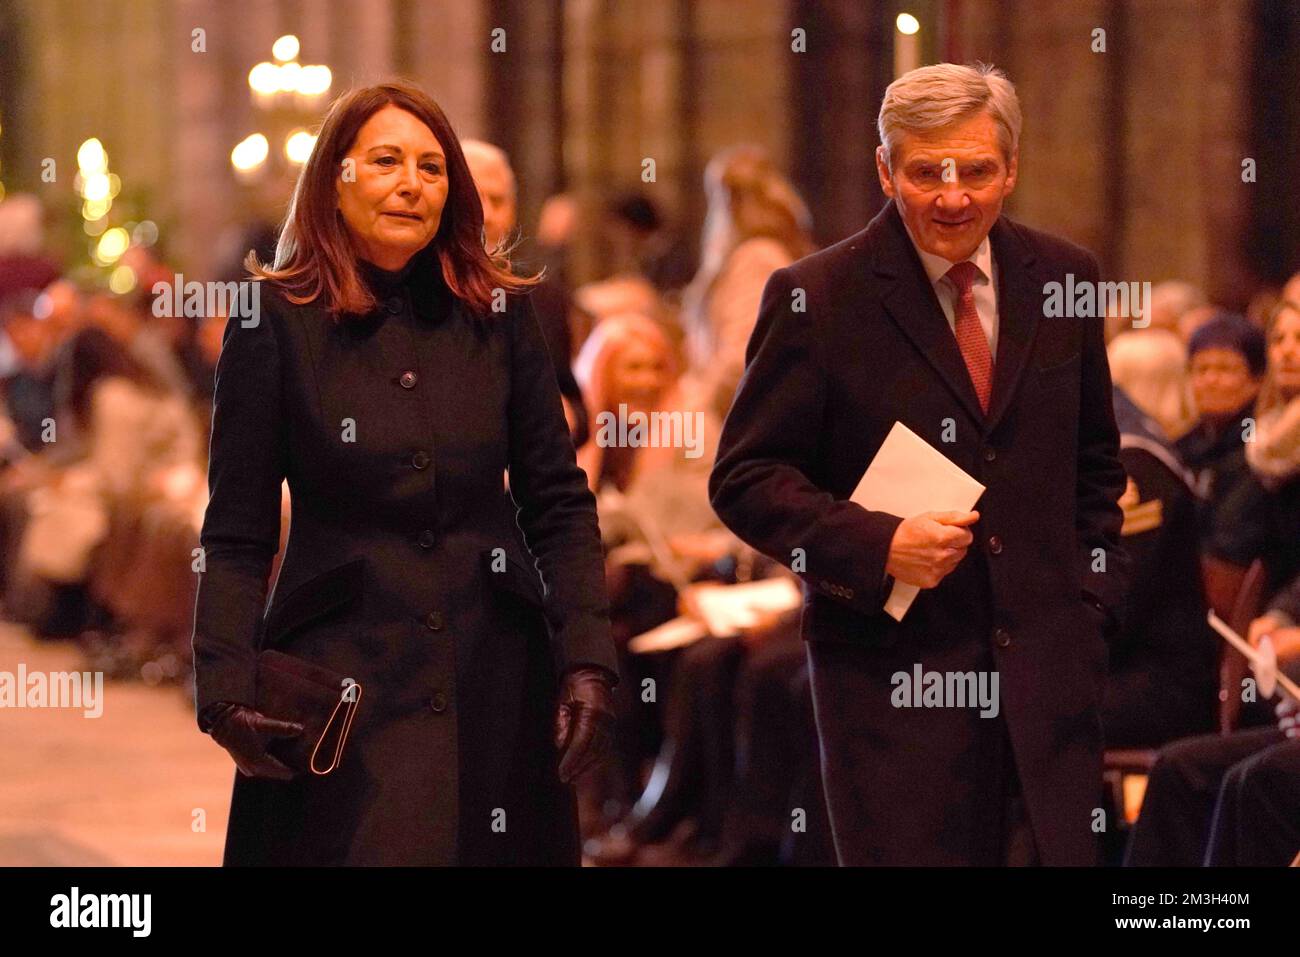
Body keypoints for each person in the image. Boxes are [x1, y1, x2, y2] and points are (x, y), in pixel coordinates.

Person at [708, 62, 1129, 865]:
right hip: (891, 690)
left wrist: (1091, 610)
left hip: (1048, 688)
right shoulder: (817, 296)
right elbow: (745, 478)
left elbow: (1097, 468)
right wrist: (876, 544)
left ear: (1011, 168)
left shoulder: (1067, 278)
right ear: (884, 169)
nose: (952, 195)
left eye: (975, 170)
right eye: (925, 170)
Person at [191, 81, 619, 866]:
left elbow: (557, 503)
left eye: (432, 167)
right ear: (335, 177)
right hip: (343, 681)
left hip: (496, 668)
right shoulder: (272, 319)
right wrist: (223, 687)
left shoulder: (499, 311)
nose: (412, 182)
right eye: (385, 160)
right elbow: (238, 532)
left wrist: (588, 657)